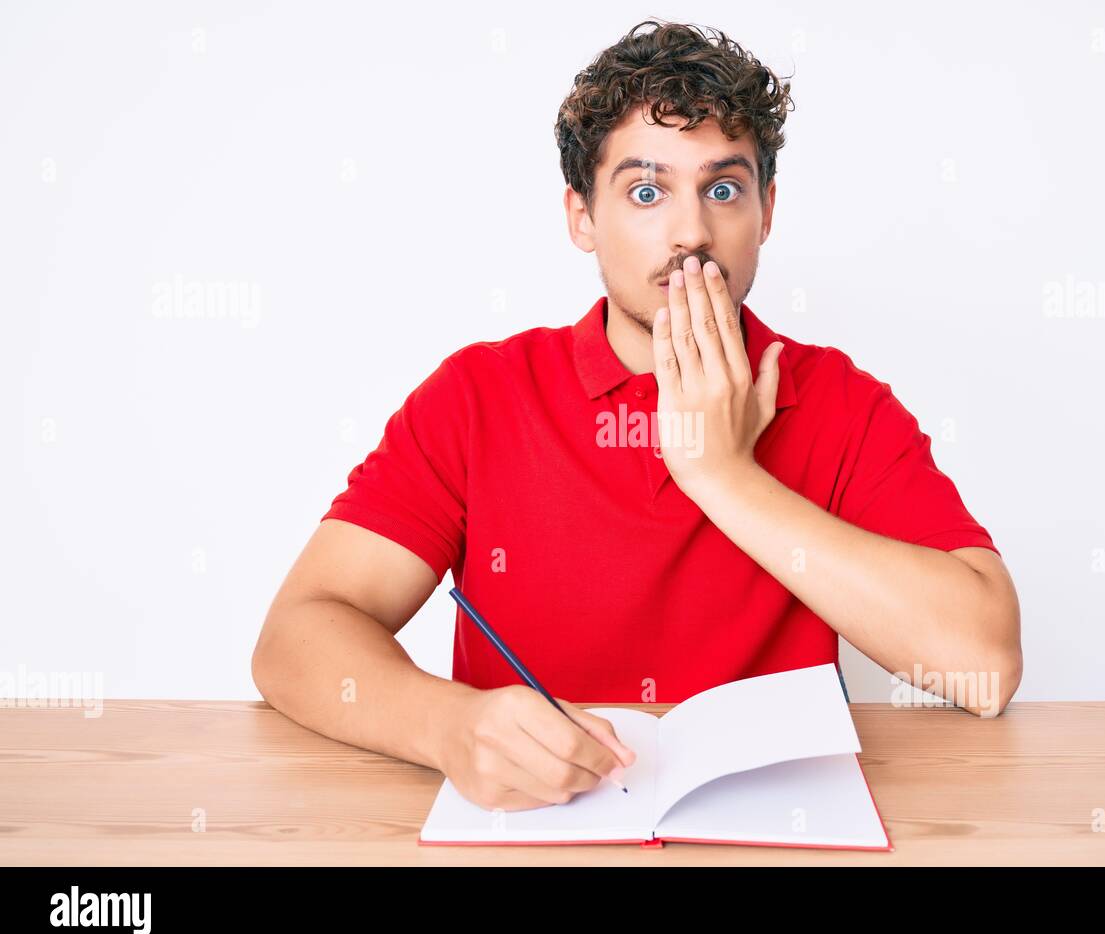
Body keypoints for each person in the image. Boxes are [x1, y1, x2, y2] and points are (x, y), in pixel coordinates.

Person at [253, 19, 1021, 814]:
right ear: (582, 217)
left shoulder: (839, 401)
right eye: (646, 192)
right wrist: (446, 726)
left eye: (724, 189)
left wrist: (720, 473)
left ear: (767, 211)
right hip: (530, 831)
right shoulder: (477, 396)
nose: (691, 233)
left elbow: (984, 664)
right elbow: (295, 639)